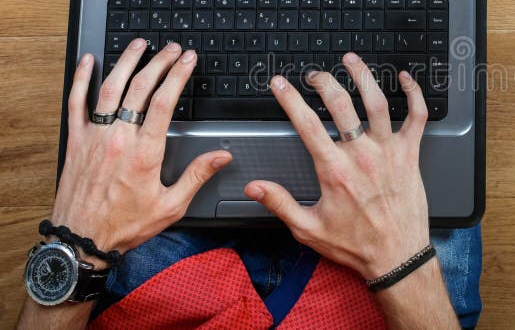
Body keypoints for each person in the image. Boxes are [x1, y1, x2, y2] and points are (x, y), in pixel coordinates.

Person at [16, 40, 481, 329]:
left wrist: (76, 249)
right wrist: (403, 261)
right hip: (390, 297)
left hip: (158, 301)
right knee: (417, 161)